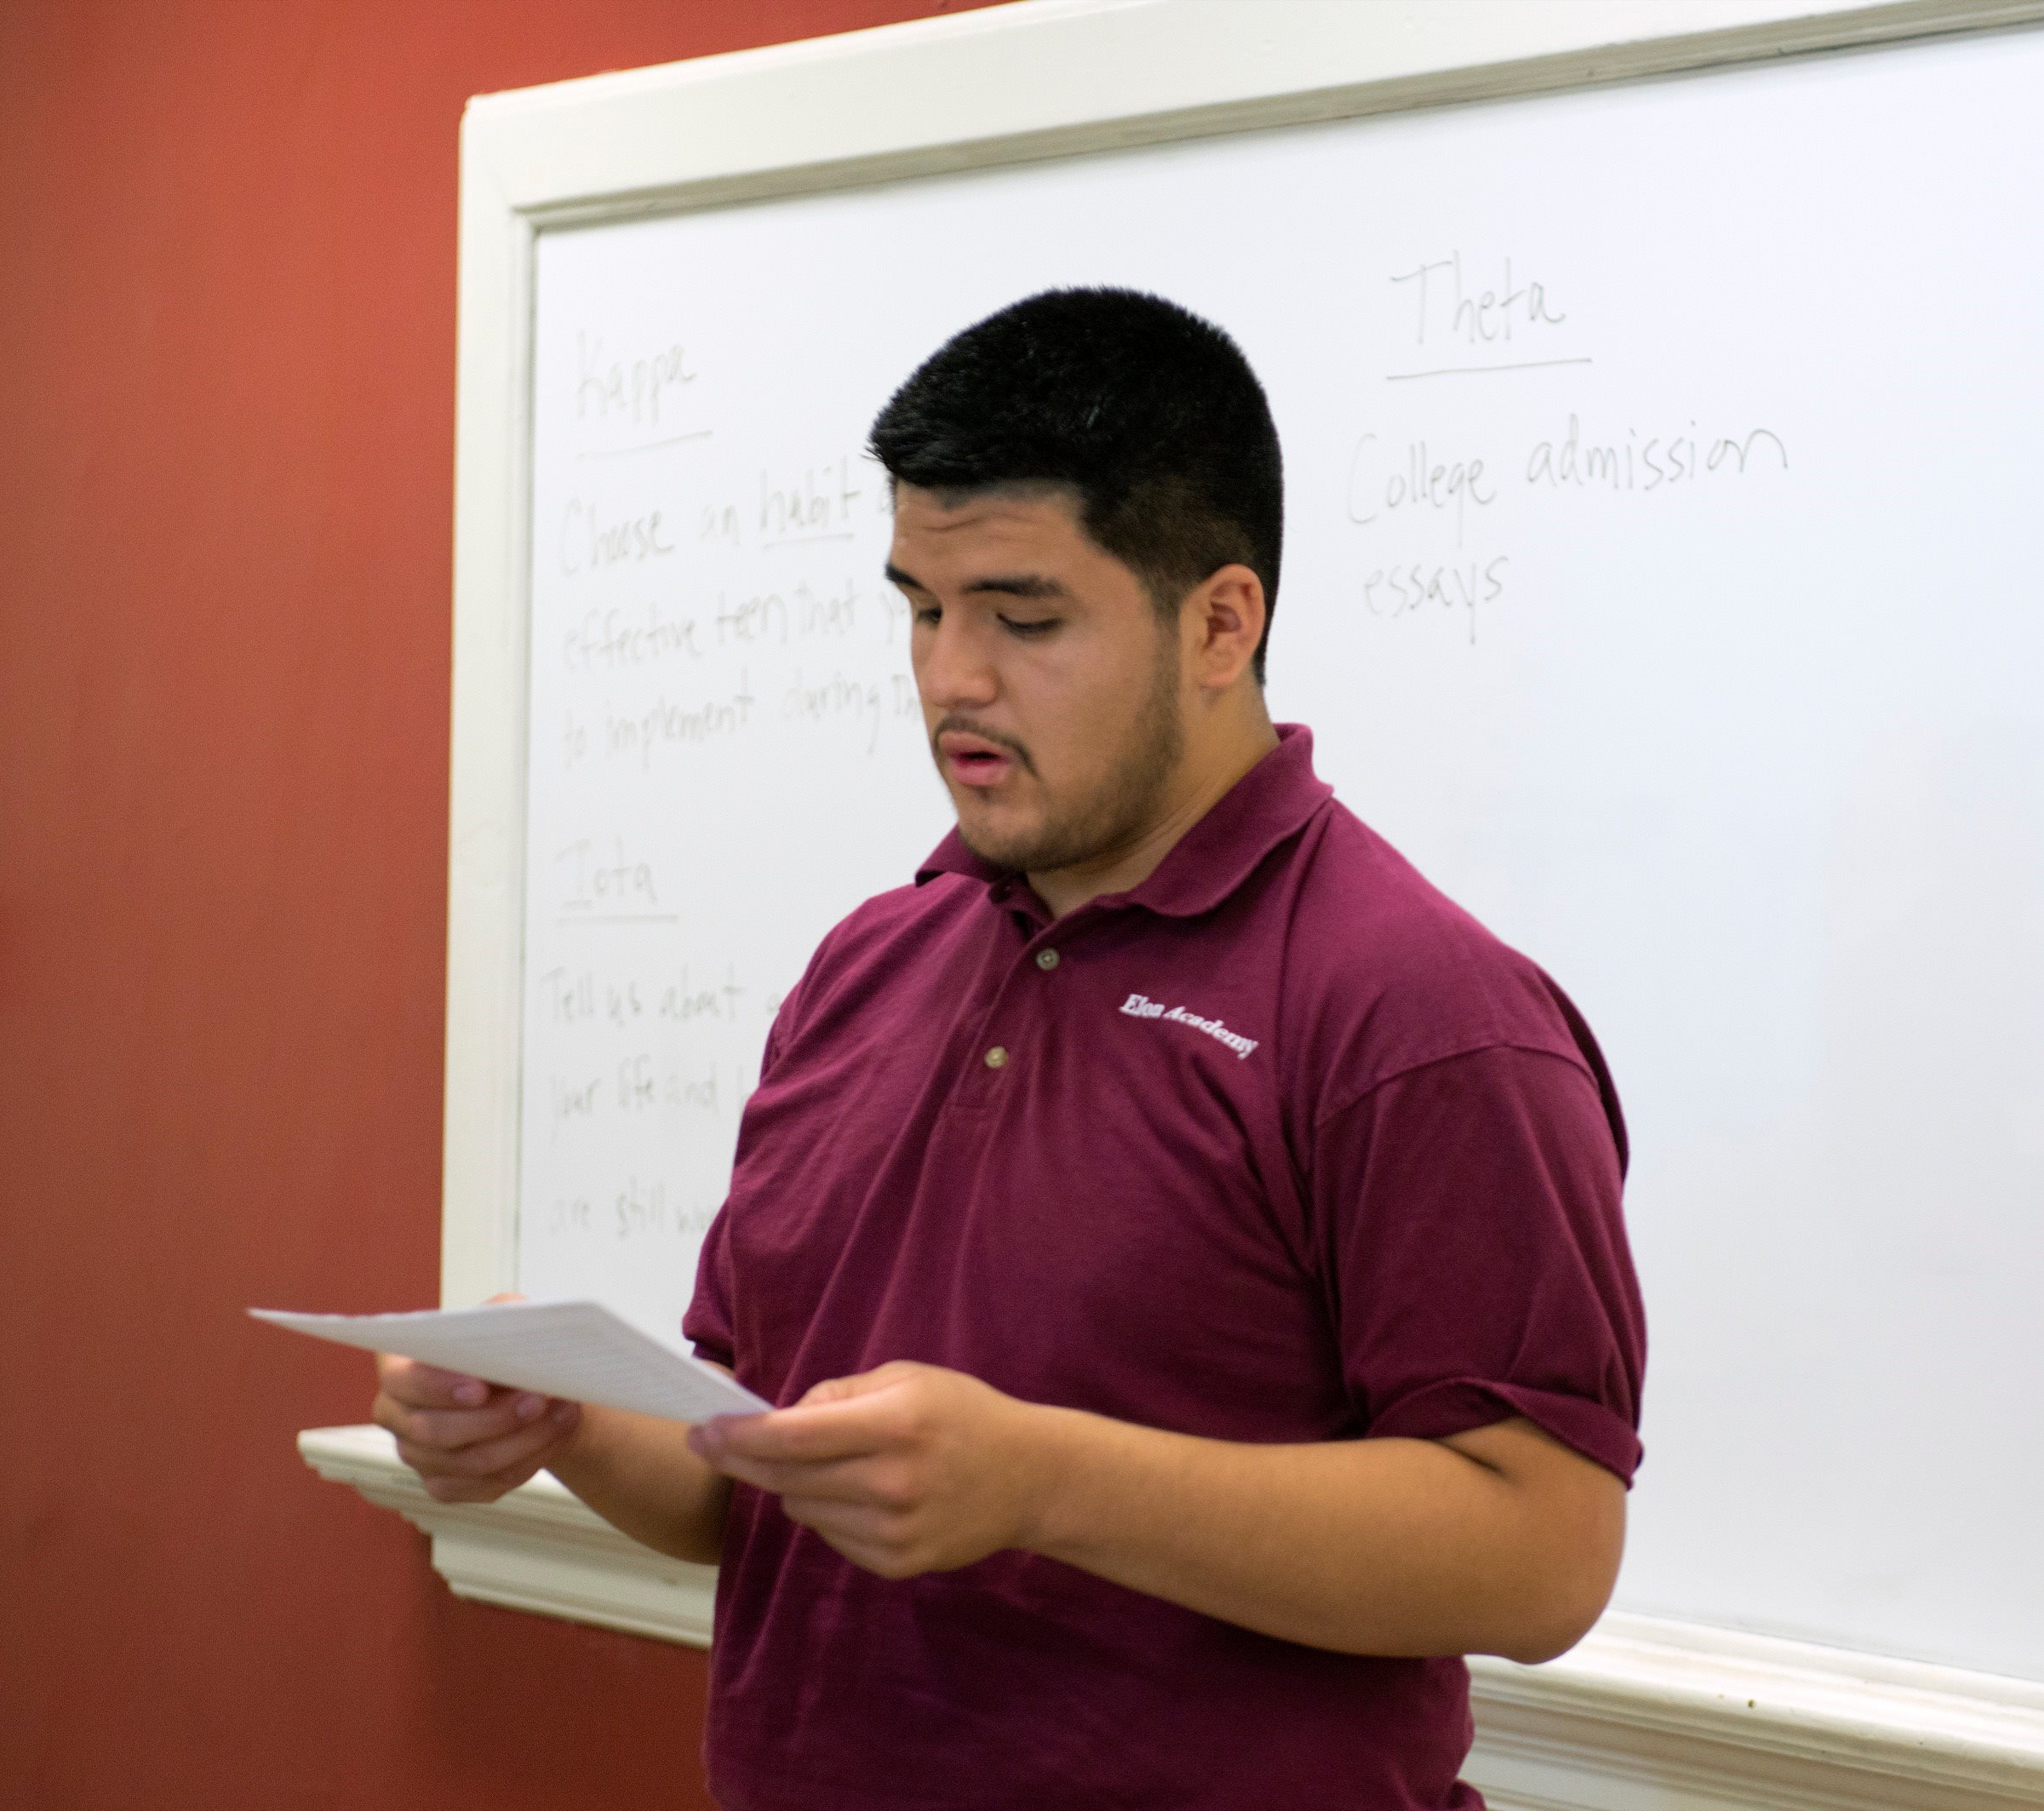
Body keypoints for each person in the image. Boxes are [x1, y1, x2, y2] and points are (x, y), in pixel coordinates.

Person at [375, 288, 1645, 1811]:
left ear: (1221, 623)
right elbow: (759, 1477)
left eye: (1023, 619)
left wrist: (1041, 1482)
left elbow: (1542, 1549)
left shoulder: (1420, 1013)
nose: (950, 678)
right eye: (920, 605)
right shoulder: (870, 961)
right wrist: (561, 1416)